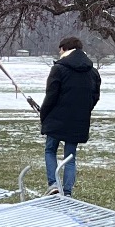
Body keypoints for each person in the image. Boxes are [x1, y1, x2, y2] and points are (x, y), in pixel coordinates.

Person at [38, 34, 101, 196]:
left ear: (64, 49)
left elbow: (51, 95)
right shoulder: (92, 72)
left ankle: (53, 183)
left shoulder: (59, 69)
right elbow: (95, 97)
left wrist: (44, 115)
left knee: (50, 150)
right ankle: (67, 191)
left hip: (56, 118)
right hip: (78, 120)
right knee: (70, 157)